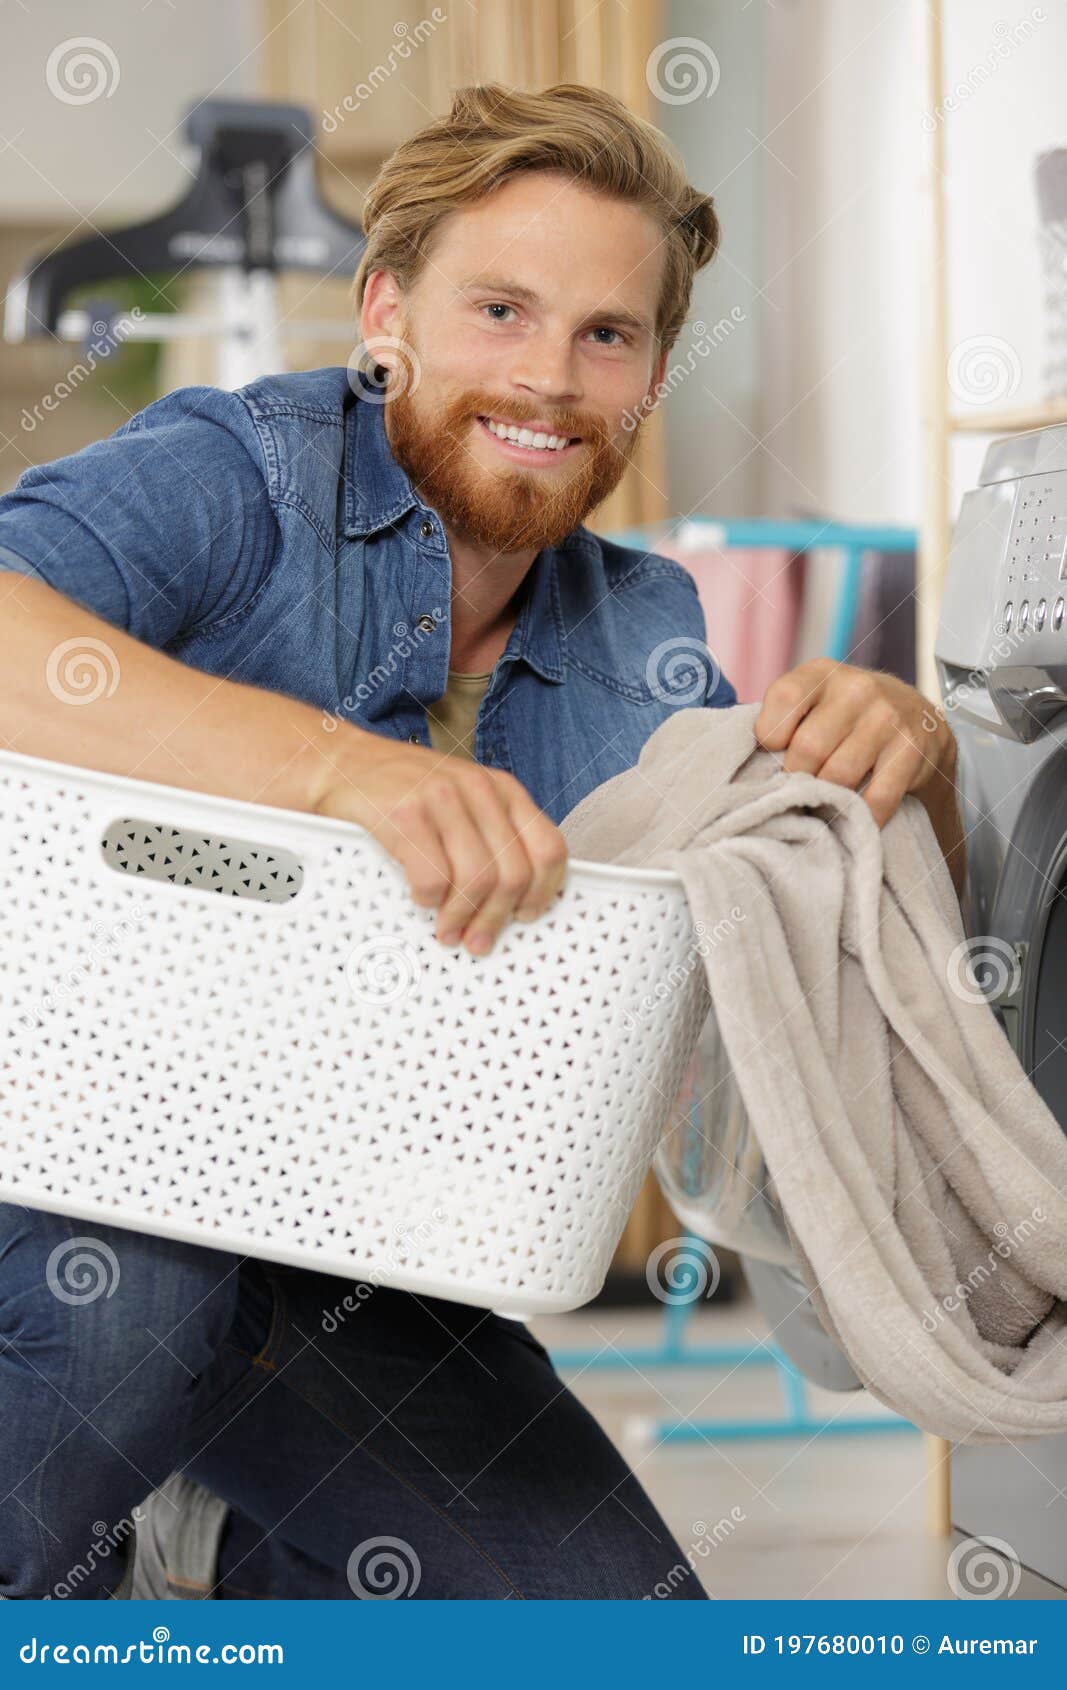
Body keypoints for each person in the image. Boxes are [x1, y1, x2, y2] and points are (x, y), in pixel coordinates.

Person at [0, 81, 963, 1600]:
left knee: (619, 1631)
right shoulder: (240, 474)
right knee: (126, 1304)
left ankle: (193, 1531)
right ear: (388, 309)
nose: (551, 378)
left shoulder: (643, 631)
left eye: (608, 334)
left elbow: (756, 909)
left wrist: (888, 751)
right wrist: (337, 774)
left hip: (342, 1271)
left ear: (651, 372)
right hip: (60, 1190)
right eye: (501, 309)